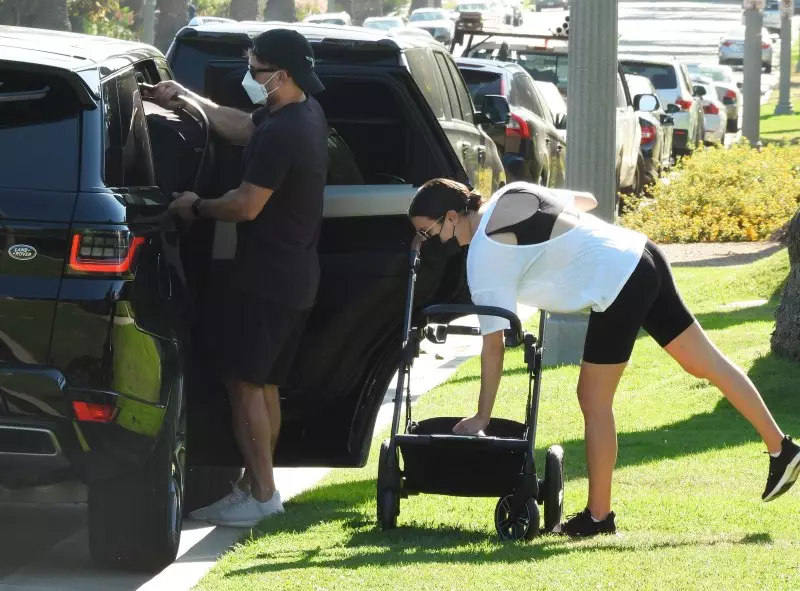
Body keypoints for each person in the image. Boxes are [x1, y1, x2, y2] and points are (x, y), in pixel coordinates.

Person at [408, 178, 800, 538]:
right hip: (642, 253)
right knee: (705, 363)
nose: (431, 242)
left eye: (429, 232)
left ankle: (598, 517)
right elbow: (585, 201)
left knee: (592, 398)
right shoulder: (511, 192)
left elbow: (493, 346)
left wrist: (481, 418)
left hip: (620, 284)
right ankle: (783, 449)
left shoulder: (483, 257)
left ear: (453, 216)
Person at [150, 29, 328, 527]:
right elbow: (239, 126)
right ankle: (254, 487)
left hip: (267, 281)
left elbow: (247, 205)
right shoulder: (299, 113)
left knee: (244, 385)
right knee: (263, 383)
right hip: (293, 277)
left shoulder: (286, 131)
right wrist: (184, 97)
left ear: (282, 74)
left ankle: (263, 495)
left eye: (255, 69)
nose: (249, 76)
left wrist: (197, 206)